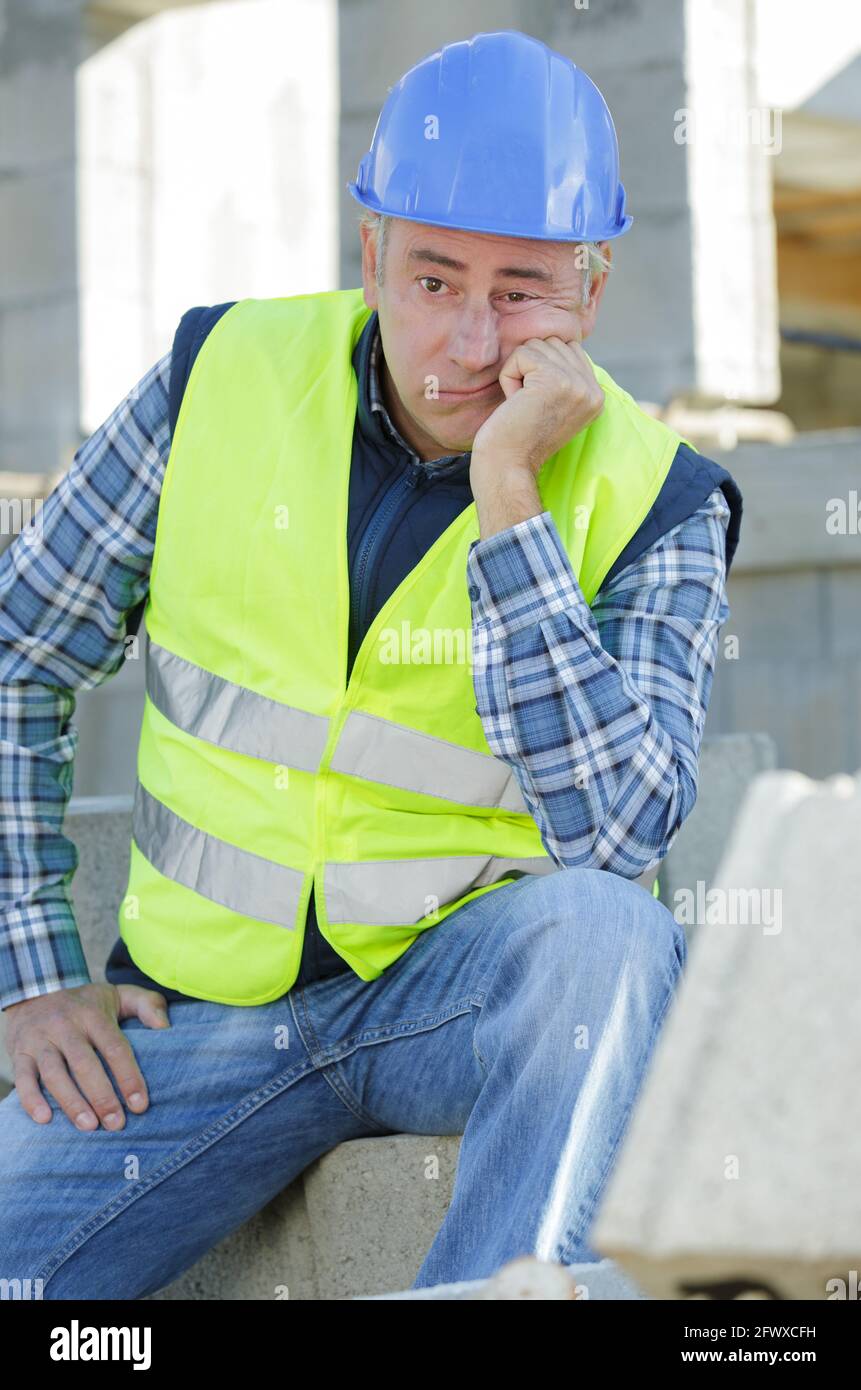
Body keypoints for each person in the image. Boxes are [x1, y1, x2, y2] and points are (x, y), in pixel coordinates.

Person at [0, 30, 742, 1297]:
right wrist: (33, 975)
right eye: (432, 279)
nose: (467, 342)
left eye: (520, 291)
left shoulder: (657, 498)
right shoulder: (215, 378)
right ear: (370, 256)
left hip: (449, 1004)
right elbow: (18, 650)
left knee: (608, 937)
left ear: (591, 289)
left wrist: (510, 501)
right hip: (194, 1022)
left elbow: (615, 835)